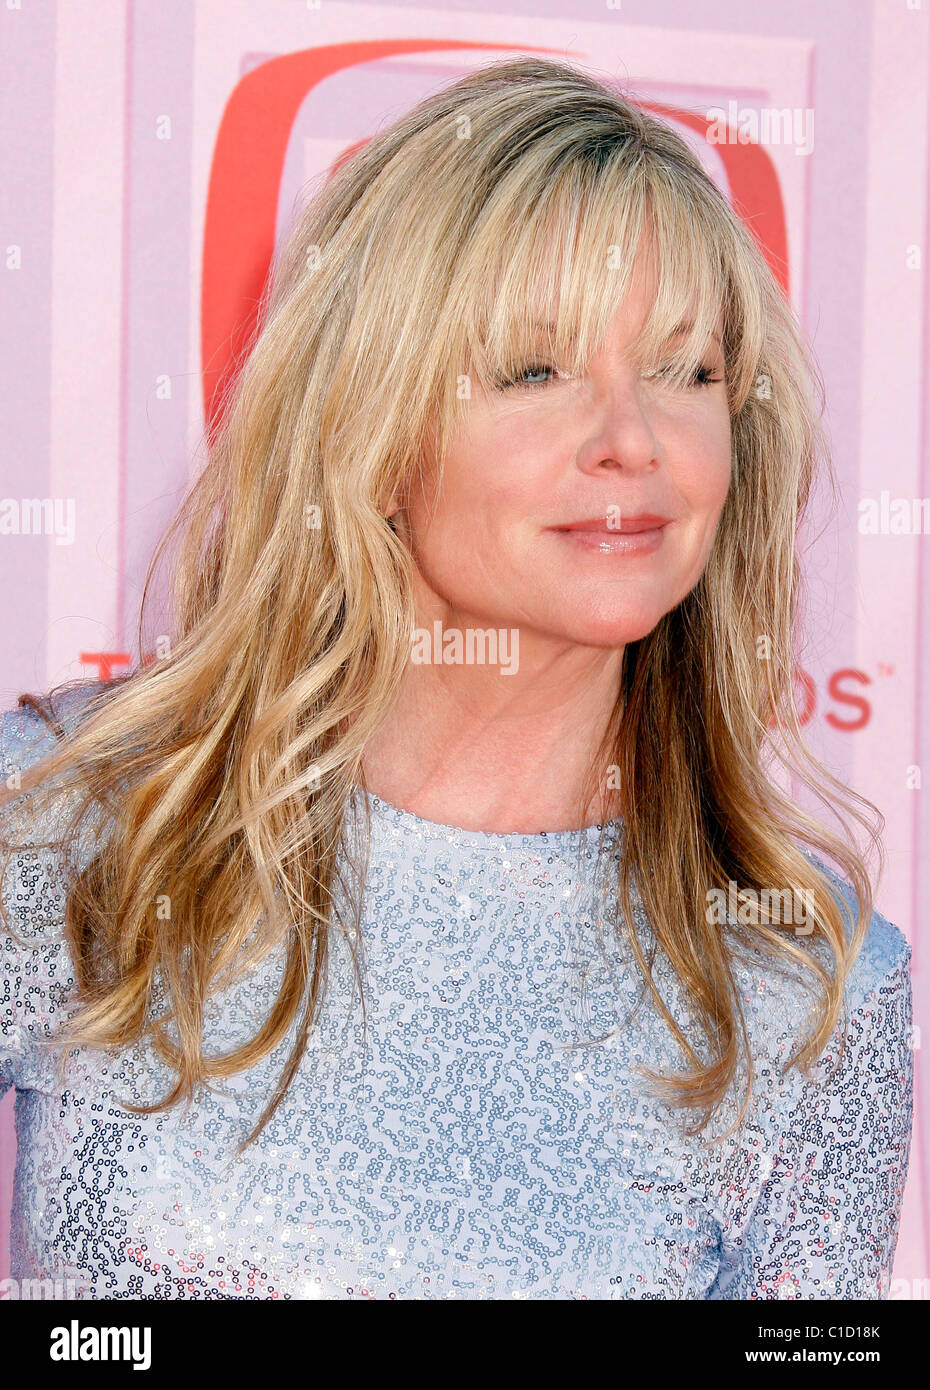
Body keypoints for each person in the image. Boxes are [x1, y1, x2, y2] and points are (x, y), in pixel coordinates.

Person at [0, 56, 912, 1300]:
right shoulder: (79, 824)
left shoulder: (808, 986)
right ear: (372, 430)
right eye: (535, 371)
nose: (633, 439)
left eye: (686, 369)